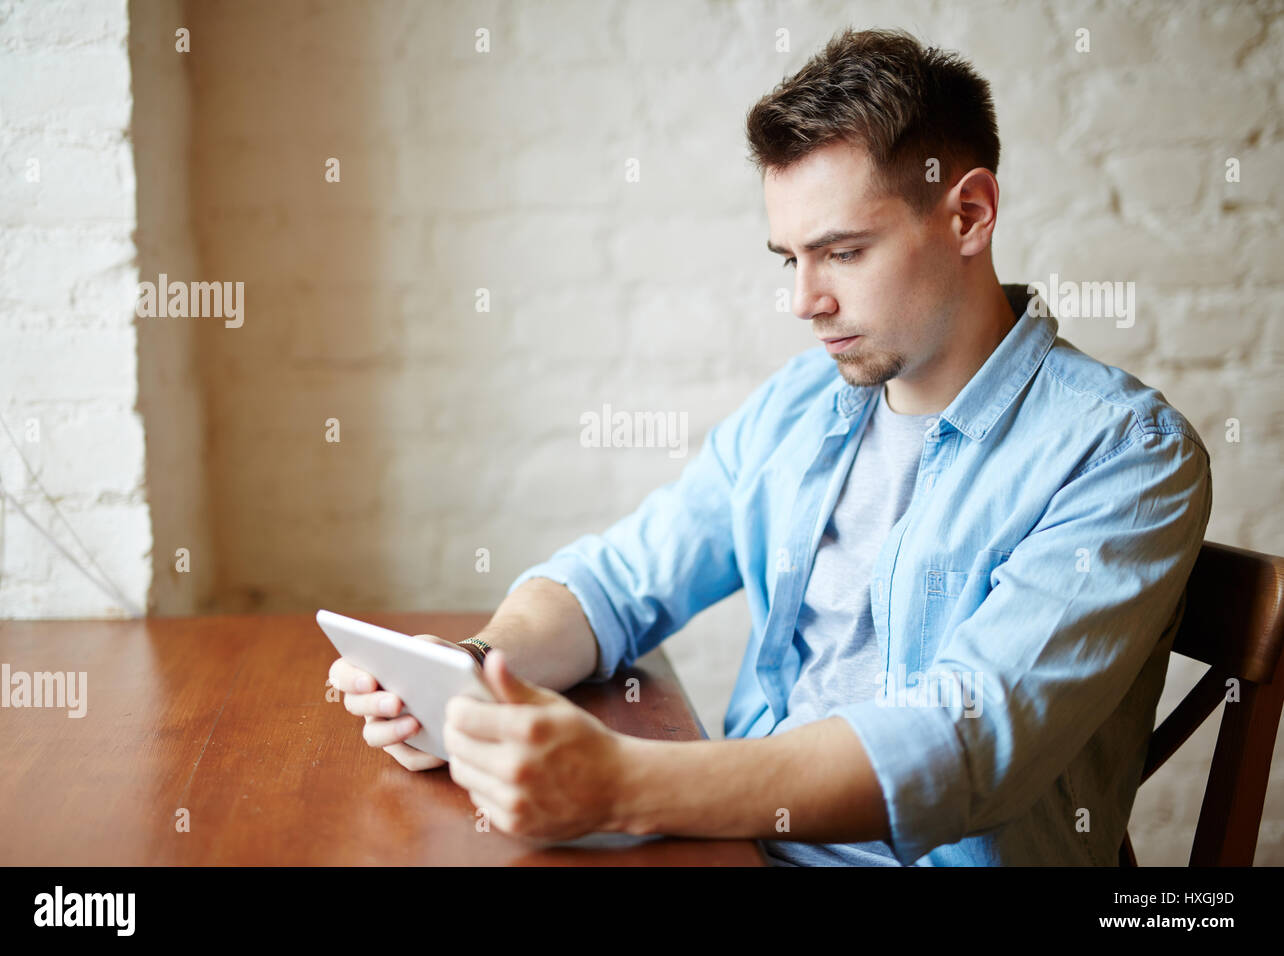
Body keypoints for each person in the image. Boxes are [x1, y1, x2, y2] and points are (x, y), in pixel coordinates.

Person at [328, 26, 1211, 866]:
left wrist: (626, 784)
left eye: (843, 252)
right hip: (736, 845)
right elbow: (620, 579)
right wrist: (476, 677)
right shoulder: (803, 405)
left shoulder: (1126, 456)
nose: (803, 300)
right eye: (789, 258)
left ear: (970, 214)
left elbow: (963, 742)